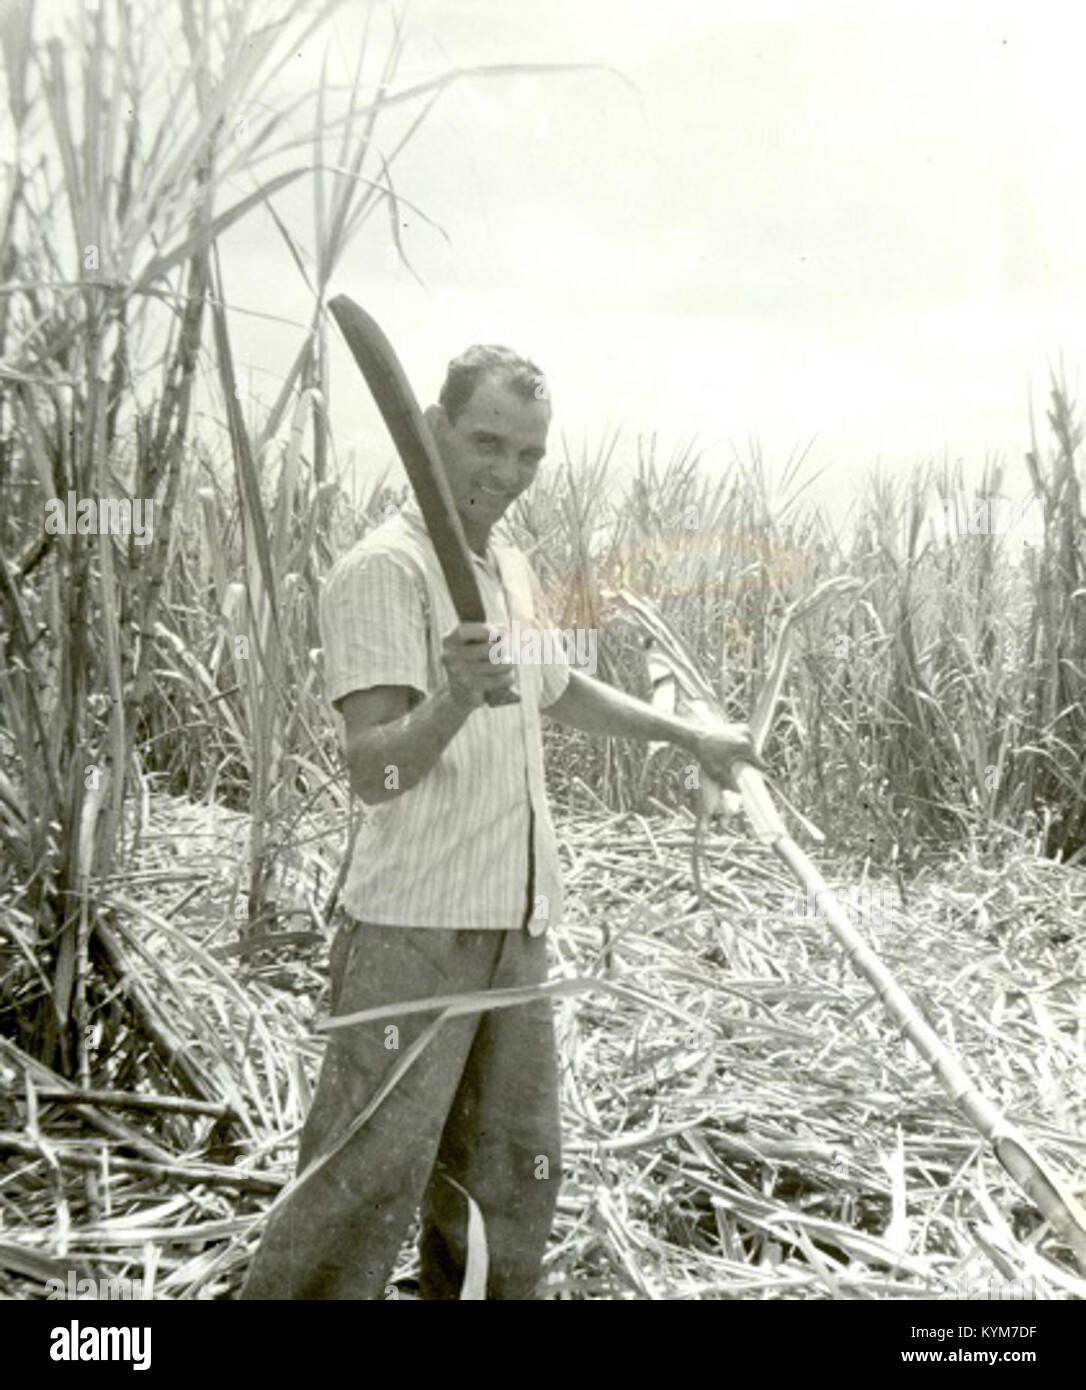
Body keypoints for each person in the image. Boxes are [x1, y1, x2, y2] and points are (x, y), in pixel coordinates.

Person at [240, 344, 761, 1300]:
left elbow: (559, 690)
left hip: (515, 933)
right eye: (486, 444)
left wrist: (692, 737)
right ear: (435, 432)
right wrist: (450, 699)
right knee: (357, 1191)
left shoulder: (506, 569)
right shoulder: (382, 573)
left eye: (528, 456)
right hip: (412, 935)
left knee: (507, 1184)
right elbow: (373, 770)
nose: (506, 475)